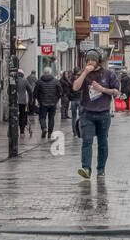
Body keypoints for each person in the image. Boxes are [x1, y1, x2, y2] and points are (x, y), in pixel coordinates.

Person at [73, 49, 120, 179]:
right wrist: (85, 73)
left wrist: (102, 89)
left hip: (103, 114)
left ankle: (101, 169)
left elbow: (116, 92)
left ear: (98, 61)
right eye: (88, 60)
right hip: (87, 113)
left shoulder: (108, 74)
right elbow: (75, 87)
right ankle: (86, 169)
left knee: (102, 142)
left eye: (93, 60)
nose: (90, 62)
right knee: (87, 141)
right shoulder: (84, 74)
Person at [34, 65, 64, 137]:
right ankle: (50, 132)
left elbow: (35, 92)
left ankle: (44, 128)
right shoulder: (56, 81)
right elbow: (60, 91)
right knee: (51, 118)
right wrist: (57, 99)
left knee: (42, 117)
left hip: (43, 103)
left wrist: (37, 99)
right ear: (50, 72)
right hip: (53, 103)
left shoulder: (39, 81)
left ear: (43, 72)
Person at [15, 69, 30, 138]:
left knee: (14, 116)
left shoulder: (14, 81)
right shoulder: (25, 81)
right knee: (22, 116)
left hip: (14, 101)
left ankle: (14, 130)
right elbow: (30, 90)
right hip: (23, 101)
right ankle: (22, 132)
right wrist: (31, 100)